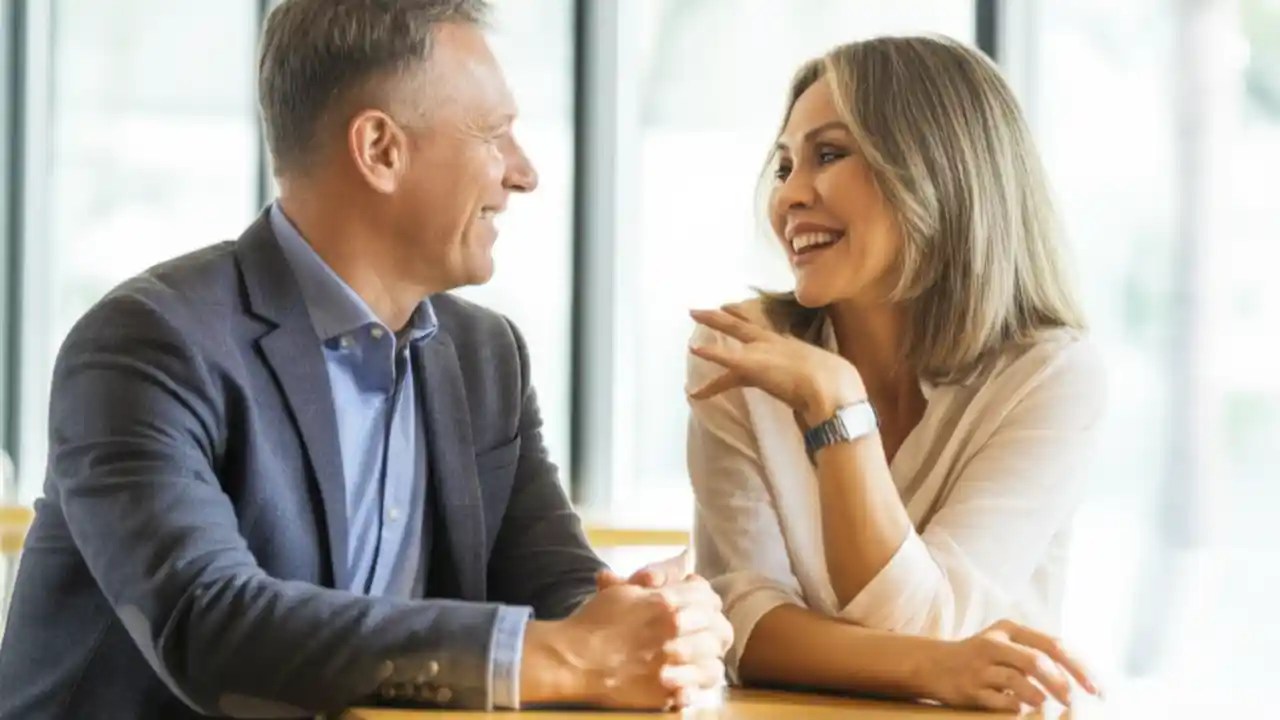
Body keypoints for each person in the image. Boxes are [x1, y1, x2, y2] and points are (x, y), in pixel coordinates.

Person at [0, 1, 730, 718]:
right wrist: (566, 656)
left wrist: (647, 620)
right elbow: (209, 624)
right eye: (495, 134)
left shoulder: (486, 357)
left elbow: (557, 589)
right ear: (381, 149)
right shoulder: (146, 343)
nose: (524, 173)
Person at [685, 35, 1106, 713]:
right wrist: (938, 668)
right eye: (785, 164)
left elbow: (928, 620)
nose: (789, 195)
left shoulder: (1050, 375)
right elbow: (742, 626)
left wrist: (837, 409)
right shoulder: (739, 348)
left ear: (935, 169)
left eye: (827, 155)